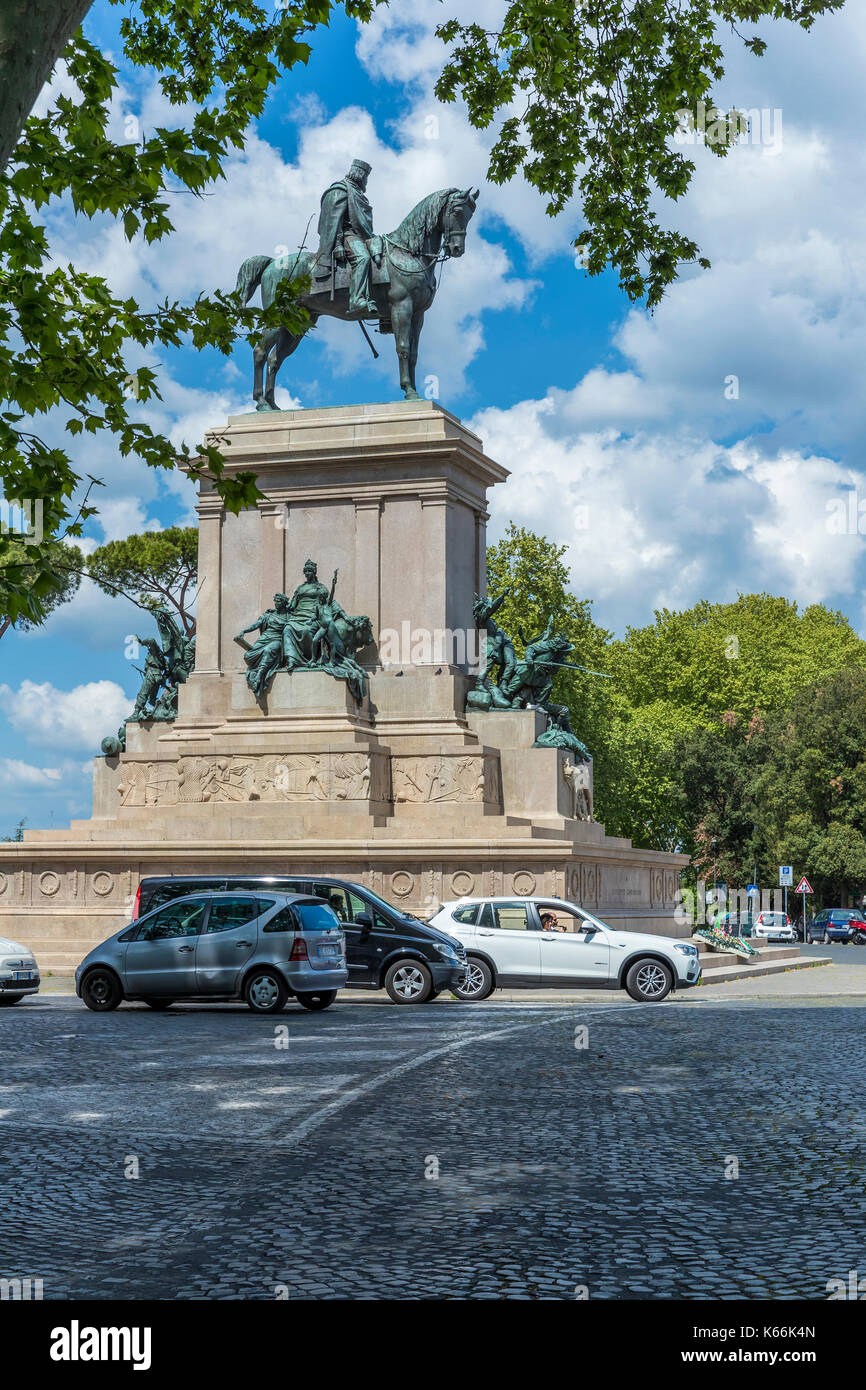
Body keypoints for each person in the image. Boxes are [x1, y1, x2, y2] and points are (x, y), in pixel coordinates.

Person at [314, 158, 381, 317]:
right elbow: (331, 220)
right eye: (365, 177)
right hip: (346, 236)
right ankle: (357, 300)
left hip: (362, 237)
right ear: (359, 175)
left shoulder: (357, 193)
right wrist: (337, 244)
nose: (366, 181)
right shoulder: (340, 190)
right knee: (363, 258)